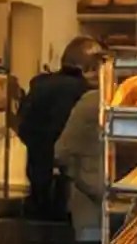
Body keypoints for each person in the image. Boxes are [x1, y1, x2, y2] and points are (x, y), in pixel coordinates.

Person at [17, 36, 104, 220]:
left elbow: (22, 125)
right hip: (69, 186)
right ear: (88, 67)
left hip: (37, 176)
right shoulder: (83, 93)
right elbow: (71, 144)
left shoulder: (40, 84)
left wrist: (39, 149)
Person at [54, 82, 104, 244]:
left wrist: (86, 183)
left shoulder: (92, 100)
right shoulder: (94, 102)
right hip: (100, 210)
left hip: (92, 210)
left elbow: (61, 154)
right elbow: (61, 154)